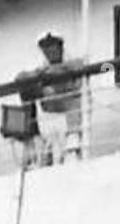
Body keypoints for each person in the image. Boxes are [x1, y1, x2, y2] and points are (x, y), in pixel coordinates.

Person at [32, 32, 84, 164]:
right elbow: (22, 78)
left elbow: (106, 67)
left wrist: (111, 67)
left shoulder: (76, 63)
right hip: (51, 115)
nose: (50, 51)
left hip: (72, 114)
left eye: (53, 47)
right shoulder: (41, 71)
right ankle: (42, 151)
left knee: (73, 101)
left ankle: (73, 145)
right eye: (46, 48)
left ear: (60, 47)